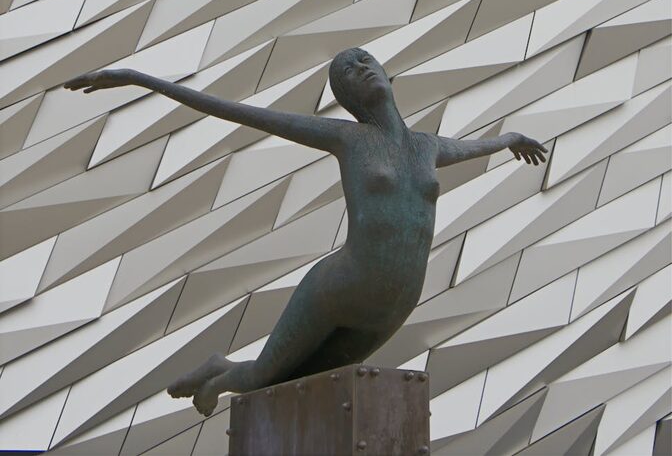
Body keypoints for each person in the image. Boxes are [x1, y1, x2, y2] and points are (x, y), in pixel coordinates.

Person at [65, 47, 546, 416]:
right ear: (347, 97)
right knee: (264, 381)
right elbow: (234, 111)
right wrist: (135, 78)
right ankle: (219, 373)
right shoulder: (348, 138)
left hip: (396, 302)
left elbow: (481, 145)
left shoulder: (427, 146)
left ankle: (220, 370)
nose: (362, 68)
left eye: (365, 60)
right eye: (348, 72)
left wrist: (510, 140)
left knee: (314, 389)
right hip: (339, 289)